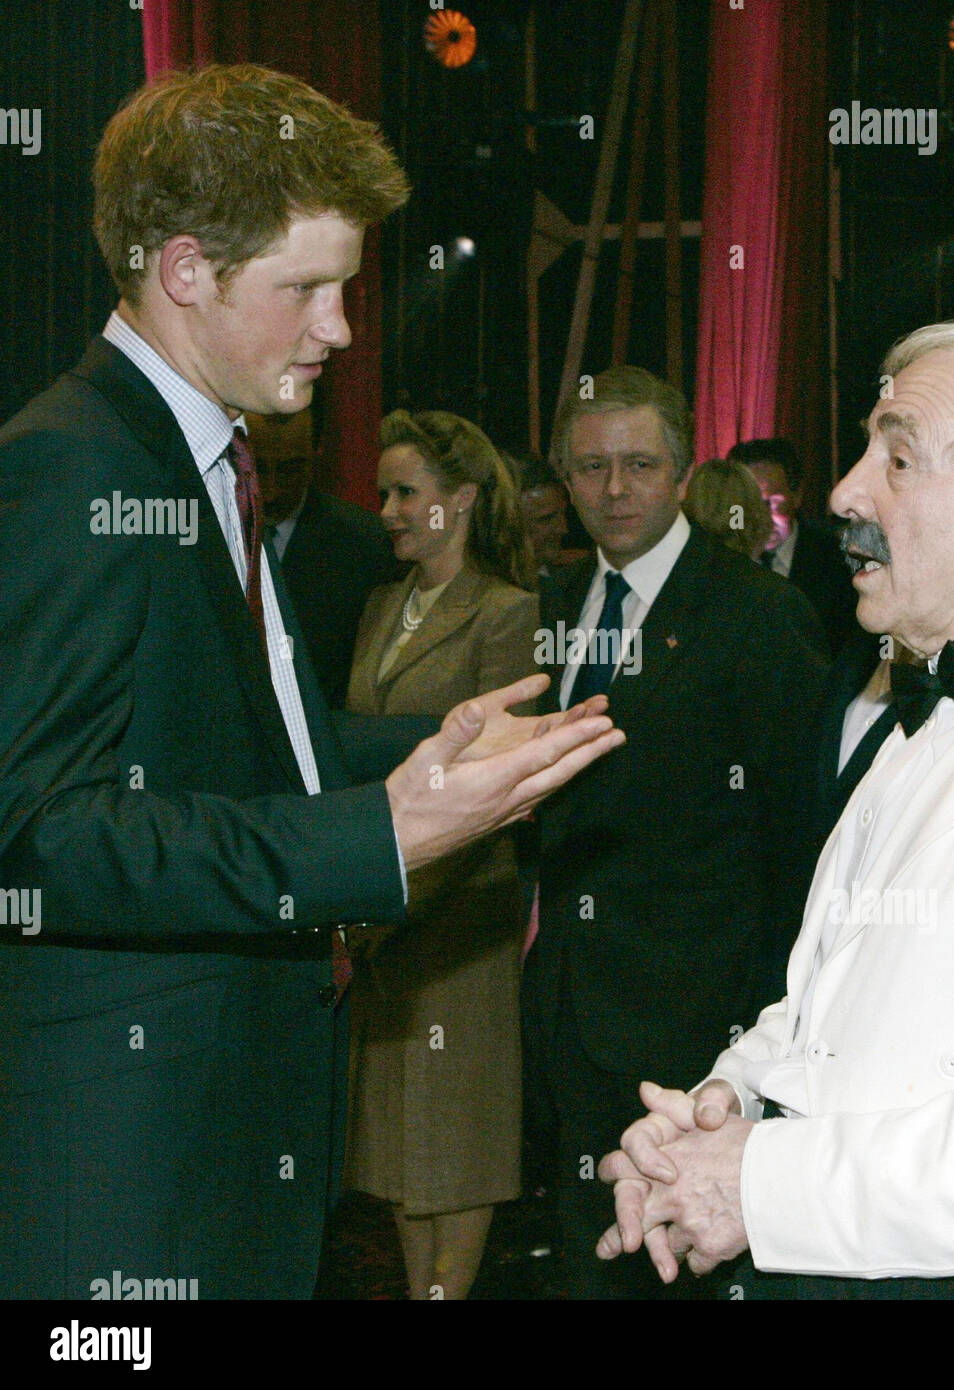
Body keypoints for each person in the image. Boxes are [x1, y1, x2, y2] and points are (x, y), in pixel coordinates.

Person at [0, 63, 622, 1301]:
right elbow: (36, 831)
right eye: (307, 289)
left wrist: (411, 751)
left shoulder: (201, 455)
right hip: (127, 1149)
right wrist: (374, 835)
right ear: (184, 270)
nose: (340, 328)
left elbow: (230, 745)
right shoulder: (71, 468)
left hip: (223, 1115)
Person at [598, 322, 954, 1298]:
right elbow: (828, 1003)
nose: (842, 494)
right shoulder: (915, 717)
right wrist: (720, 1108)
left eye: (897, 456)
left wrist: (761, 1180)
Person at [523, 366, 828, 1298]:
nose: (613, 491)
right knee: (590, 1258)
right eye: (590, 468)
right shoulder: (552, 604)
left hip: (701, 1023)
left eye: (638, 465)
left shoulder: (758, 614)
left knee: (684, 1272)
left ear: (683, 469)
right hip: (571, 1009)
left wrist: (768, 1030)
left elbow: (797, 842)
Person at [344, 409, 538, 1299]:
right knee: (397, 1149)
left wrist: (398, 895)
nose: (384, 509)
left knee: (456, 1143)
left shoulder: (508, 615)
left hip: (460, 916)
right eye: (383, 491)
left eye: (404, 492)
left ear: (458, 502)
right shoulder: (382, 604)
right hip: (385, 914)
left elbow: (500, 790)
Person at [247, 407, 400, 707]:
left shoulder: (368, 546)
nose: (272, 491)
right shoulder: (204, 535)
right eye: (259, 469)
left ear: (318, 453)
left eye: (290, 469)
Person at [728, 436, 857, 652]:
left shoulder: (838, 562)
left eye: (771, 503)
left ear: (797, 495)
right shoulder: (721, 562)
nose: (757, 518)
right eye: (745, 505)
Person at [517, 454, 574, 576]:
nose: (563, 529)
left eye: (562, 514)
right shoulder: (480, 590)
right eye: (546, 519)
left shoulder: (571, 584)